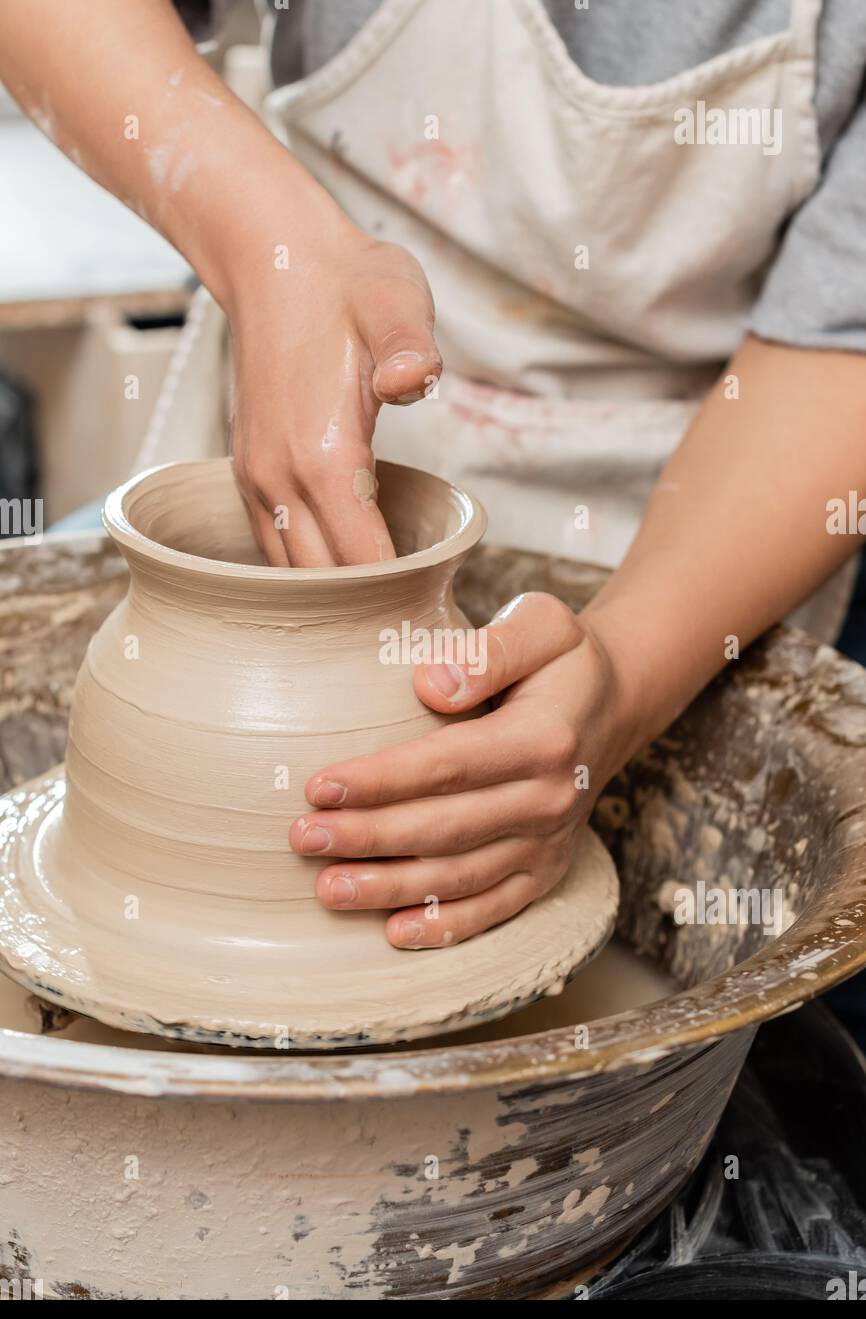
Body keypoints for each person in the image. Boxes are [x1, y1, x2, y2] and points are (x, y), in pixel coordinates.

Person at [2, 0, 865, 955]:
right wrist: (270, 248)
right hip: (301, 359)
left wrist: (617, 686)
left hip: (720, 487)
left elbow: (845, 335)